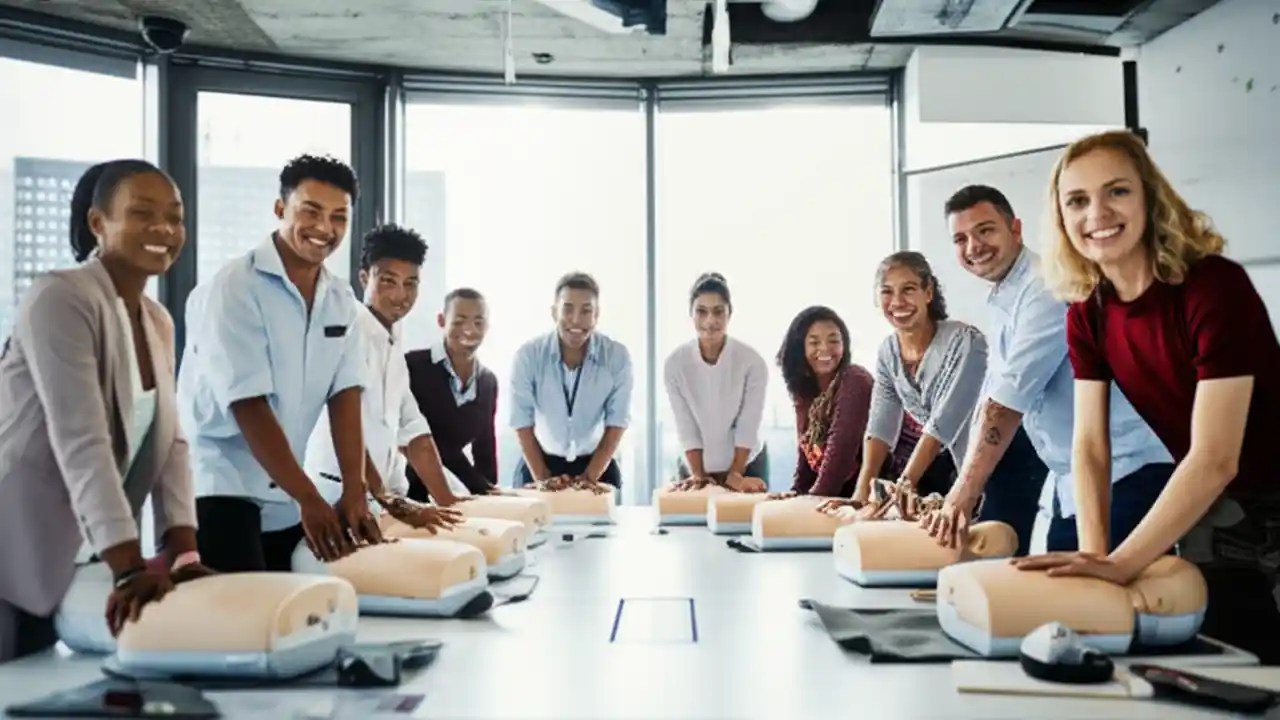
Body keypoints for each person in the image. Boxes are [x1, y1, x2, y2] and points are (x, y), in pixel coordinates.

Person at [1017, 129, 1280, 663]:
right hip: (1219, 507)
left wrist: (1121, 564)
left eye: (1117, 191)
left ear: (1149, 198)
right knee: (1226, 660)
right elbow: (1090, 446)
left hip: (1263, 488)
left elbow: (1215, 457)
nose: (1097, 213)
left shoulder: (1214, 287)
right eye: (1077, 200)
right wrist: (1094, 558)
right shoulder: (1088, 311)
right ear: (1062, 218)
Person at [0, 160, 213, 662]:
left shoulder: (158, 320)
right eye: (142, 213)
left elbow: (171, 444)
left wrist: (183, 554)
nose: (163, 229)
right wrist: (130, 567)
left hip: (80, 553)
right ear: (98, 222)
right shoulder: (60, 296)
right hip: (15, 537)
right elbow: (81, 437)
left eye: (175, 217)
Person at [922, 185, 1173, 555]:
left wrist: (963, 494)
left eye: (985, 230)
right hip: (1077, 478)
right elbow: (989, 398)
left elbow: (1006, 404)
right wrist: (960, 487)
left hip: (1126, 469)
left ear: (1016, 229)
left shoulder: (1045, 288)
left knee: (1112, 588)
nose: (973, 246)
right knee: (1064, 582)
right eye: (961, 239)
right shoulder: (1004, 297)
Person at [177, 154, 381, 574]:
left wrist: (354, 490)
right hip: (219, 483)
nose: (325, 228)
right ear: (279, 209)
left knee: (304, 598)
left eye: (339, 217)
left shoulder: (340, 299)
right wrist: (309, 497)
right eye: (311, 212)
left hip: (285, 487)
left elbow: (345, 395)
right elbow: (248, 404)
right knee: (248, 605)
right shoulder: (234, 288)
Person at [304, 223, 462, 531]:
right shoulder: (349, 330)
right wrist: (388, 499)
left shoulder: (392, 341)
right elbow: (347, 424)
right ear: (365, 278)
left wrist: (451, 505)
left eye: (411, 283)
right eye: (388, 281)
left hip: (384, 498)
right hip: (340, 494)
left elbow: (415, 432)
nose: (401, 295)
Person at [853, 252, 1004, 507]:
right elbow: (880, 425)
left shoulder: (966, 342)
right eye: (887, 292)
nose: (897, 302)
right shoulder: (888, 352)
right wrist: (860, 494)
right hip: (956, 468)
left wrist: (904, 484)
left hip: (998, 460)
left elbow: (944, 422)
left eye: (908, 289)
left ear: (928, 292)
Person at [509, 272, 633, 490]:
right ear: (554, 312)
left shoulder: (617, 356)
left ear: (597, 314)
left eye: (586, 310)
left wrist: (590, 477)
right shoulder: (528, 356)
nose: (576, 319)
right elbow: (521, 422)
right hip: (539, 461)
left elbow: (617, 422)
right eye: (567, 309)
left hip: (597, 464)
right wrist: (543, 478)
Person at [774, 306, 912, 498]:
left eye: (834, 340)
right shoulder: (805, 394)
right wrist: (796, 493)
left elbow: (841, 454)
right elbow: (806, 459)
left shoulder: (855, 380)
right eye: (814, 342)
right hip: (851, 494)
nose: (825, 348)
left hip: (901, 486)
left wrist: (811, 499)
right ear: (799, 348)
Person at [663, 272, 768, 492]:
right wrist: (698, 475)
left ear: (730, 313)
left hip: (747, 465)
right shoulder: (675, 364)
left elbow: (748, 425)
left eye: (718, 311)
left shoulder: (751, 361)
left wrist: (736, 474)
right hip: (693, 467)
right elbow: (686, 426)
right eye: (701, 312)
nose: (710, 320)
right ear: (691, 314)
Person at [405, 288, 502, 503]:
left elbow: (485, 446)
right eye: (459, 321)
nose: (469, 330)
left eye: (478, 322)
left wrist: (491, 495)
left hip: (454, 493)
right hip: (407, 492)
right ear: (442, 321)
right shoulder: (412, 367)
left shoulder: (487, 382)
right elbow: (435, 442)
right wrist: (479, 486)